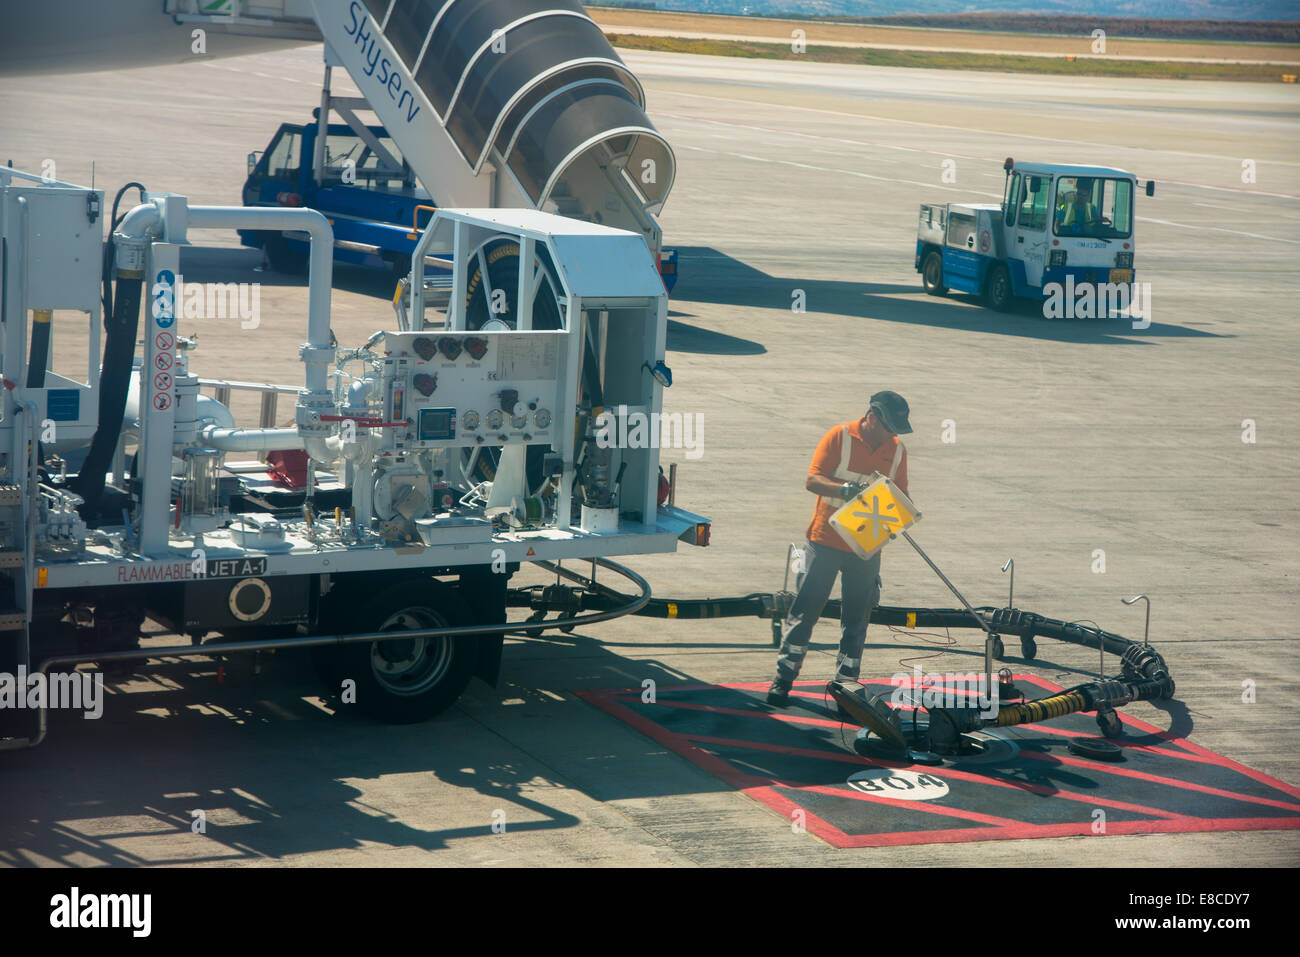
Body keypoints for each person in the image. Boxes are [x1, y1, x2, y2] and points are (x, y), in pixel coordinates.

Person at [767, 390, 912, 707]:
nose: (892, 435)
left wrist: (896, 520)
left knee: (857, 620)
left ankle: (846, 690)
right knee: (805, 611)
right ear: (872, 418)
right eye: (889, 427)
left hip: (866, 548)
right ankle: (783, 679)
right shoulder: (840, 437)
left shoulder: (897, 450)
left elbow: (900, 496)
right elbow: (812, 481)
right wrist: (846, 490)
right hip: (825, 541)